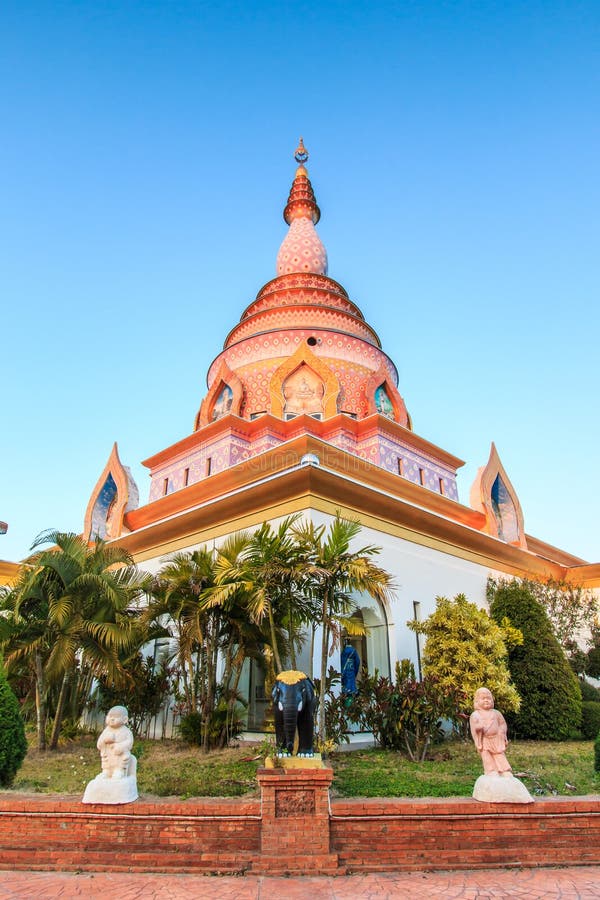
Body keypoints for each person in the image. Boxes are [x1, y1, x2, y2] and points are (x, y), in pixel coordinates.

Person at [469, 688, 512, 776]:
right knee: (486, 755)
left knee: (499, 754)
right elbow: (474, 728)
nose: (486, 700)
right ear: (477, 701)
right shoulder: (475, 715)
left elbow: (502, 724)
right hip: (484, 739)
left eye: (488, 698)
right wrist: (478, 728)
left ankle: (504, 770)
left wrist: (502, 732)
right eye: (483, 698)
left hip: (497, 739)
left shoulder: (496, 713)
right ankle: (491, 770)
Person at [97, 706, 134, 780]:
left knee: (121, 759)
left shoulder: (126, 732)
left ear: (125, 719)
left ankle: (119, 771)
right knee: (105, 761)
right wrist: (104, 740)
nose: (112, 719)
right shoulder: (106, 730)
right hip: (107, 755)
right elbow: (99, 744)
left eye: (116, 717)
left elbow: (129, 743)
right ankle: (106, 772)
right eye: (110, 716)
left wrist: (121, 746)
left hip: (119, 756)